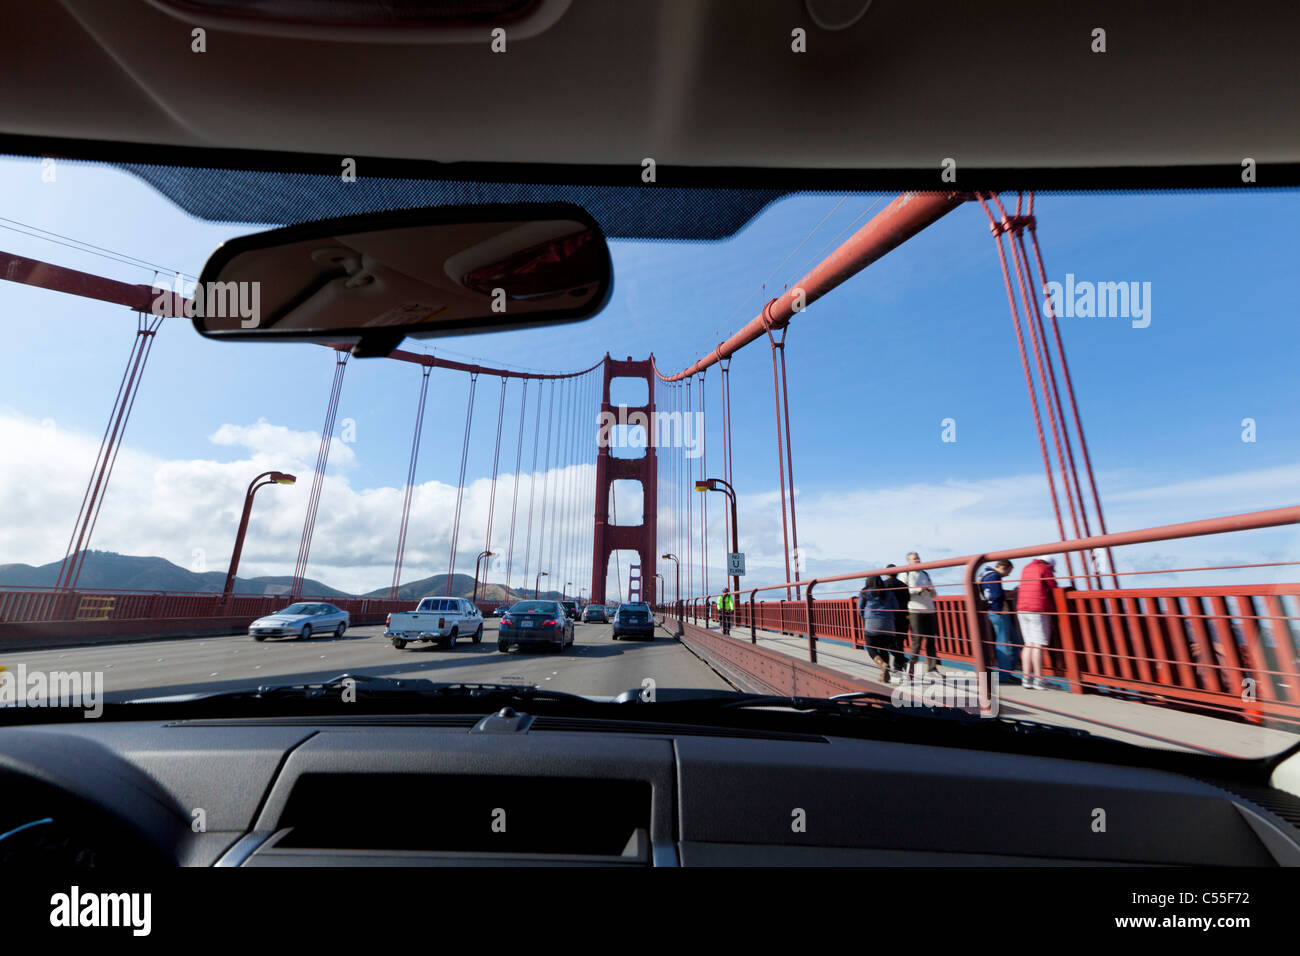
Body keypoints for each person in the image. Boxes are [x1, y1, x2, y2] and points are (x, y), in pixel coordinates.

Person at [1016, 557, 1058, 689]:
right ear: (1050, 565)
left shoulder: (1026, 567)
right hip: (1038, 608)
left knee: (1028, 644)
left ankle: (1026, 678)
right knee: (1038, 645)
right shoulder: (1045, 569)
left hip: (1022, 609)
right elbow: (1053, 586)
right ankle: (1039, 680)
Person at [857, 576, 901, 682]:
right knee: (884, 648)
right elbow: (896, 607)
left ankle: (882, 665)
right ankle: (884, 675)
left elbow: (860, 609)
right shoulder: (889, 592)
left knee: (870, 648)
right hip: (888, 624)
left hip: (871, 623)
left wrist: (865, 619)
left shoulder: (864, 592)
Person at [979, 560, 1017, 682]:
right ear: (1002, 567)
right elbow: (996, 596)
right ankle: (1004, 675)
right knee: (1004, 643)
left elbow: (991, 594)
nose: (1008, 575)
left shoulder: (985, 575)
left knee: (1014, 642)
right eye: (1008, 571)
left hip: (995, 612)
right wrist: (1014, 592)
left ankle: (1007, 672)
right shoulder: (994, 576)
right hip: (998, 612)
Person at [903, 551, 938, 679]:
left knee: (931, 641)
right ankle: (911, 671)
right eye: (915, 558)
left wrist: (931, 591)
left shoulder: (925, 573)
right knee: (916, 640)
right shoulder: (905, 573)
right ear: (909, 561)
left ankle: (932, 670)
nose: (918, 560)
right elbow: (903, 591)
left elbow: (935, 594)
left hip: (929, 609)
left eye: (918, 558)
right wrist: (917, 589)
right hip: (915, 610)